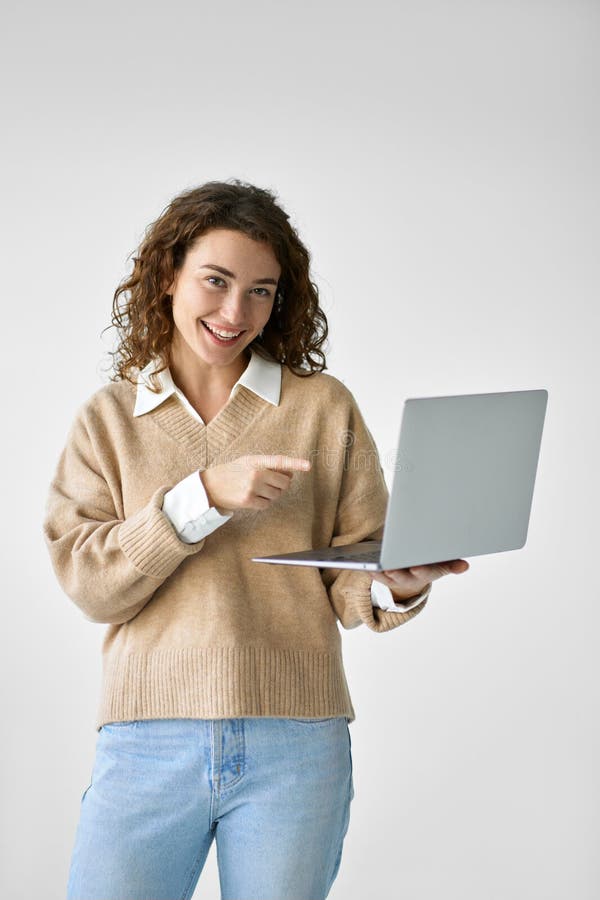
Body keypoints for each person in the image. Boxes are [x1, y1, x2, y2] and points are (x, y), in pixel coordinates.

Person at [42, 179, 469, 900]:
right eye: (216, 281)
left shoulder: (321, 406)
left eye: (262, 291)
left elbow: (351, 574)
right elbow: (90, 585)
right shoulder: (108, 419)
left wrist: (400, 580)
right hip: (148, 738)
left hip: (296, 741)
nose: (235, 312)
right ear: (168, 274)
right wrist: (199, 498)